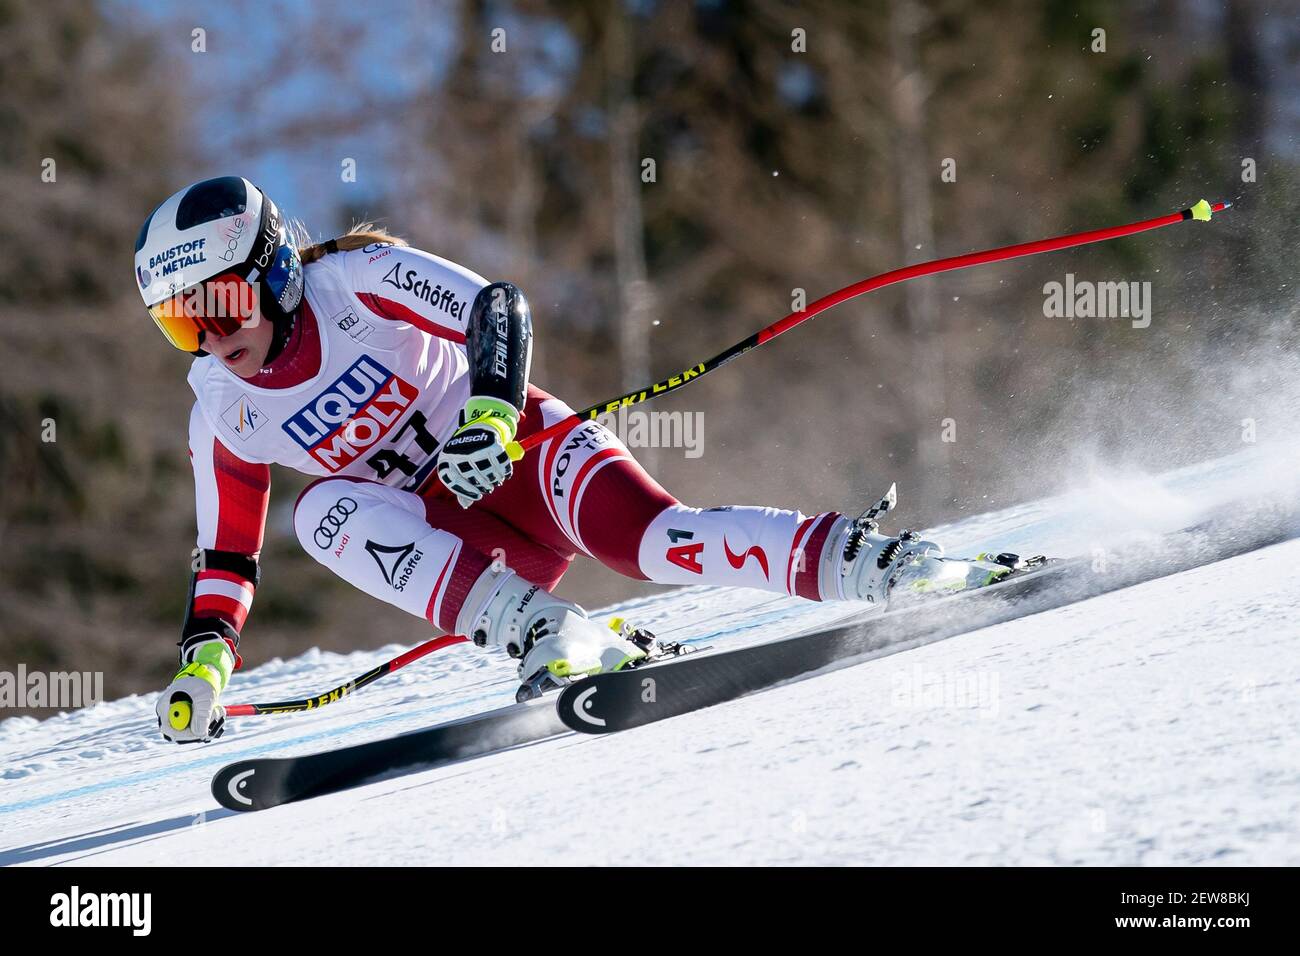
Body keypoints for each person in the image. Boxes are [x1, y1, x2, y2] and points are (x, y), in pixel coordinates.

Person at [136, 176, 963, 743]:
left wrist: (490, 416)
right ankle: (545, 631)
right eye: (181, 323)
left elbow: (493, 306)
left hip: (518, 455)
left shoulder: (355, 281)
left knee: (655, 543)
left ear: (276, 271)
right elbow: (228, 557)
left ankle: (875, 563)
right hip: (460, 542)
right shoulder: (222, 410)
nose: (211, 337)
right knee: (320, 512)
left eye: (222, 305)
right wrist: (205, 666)